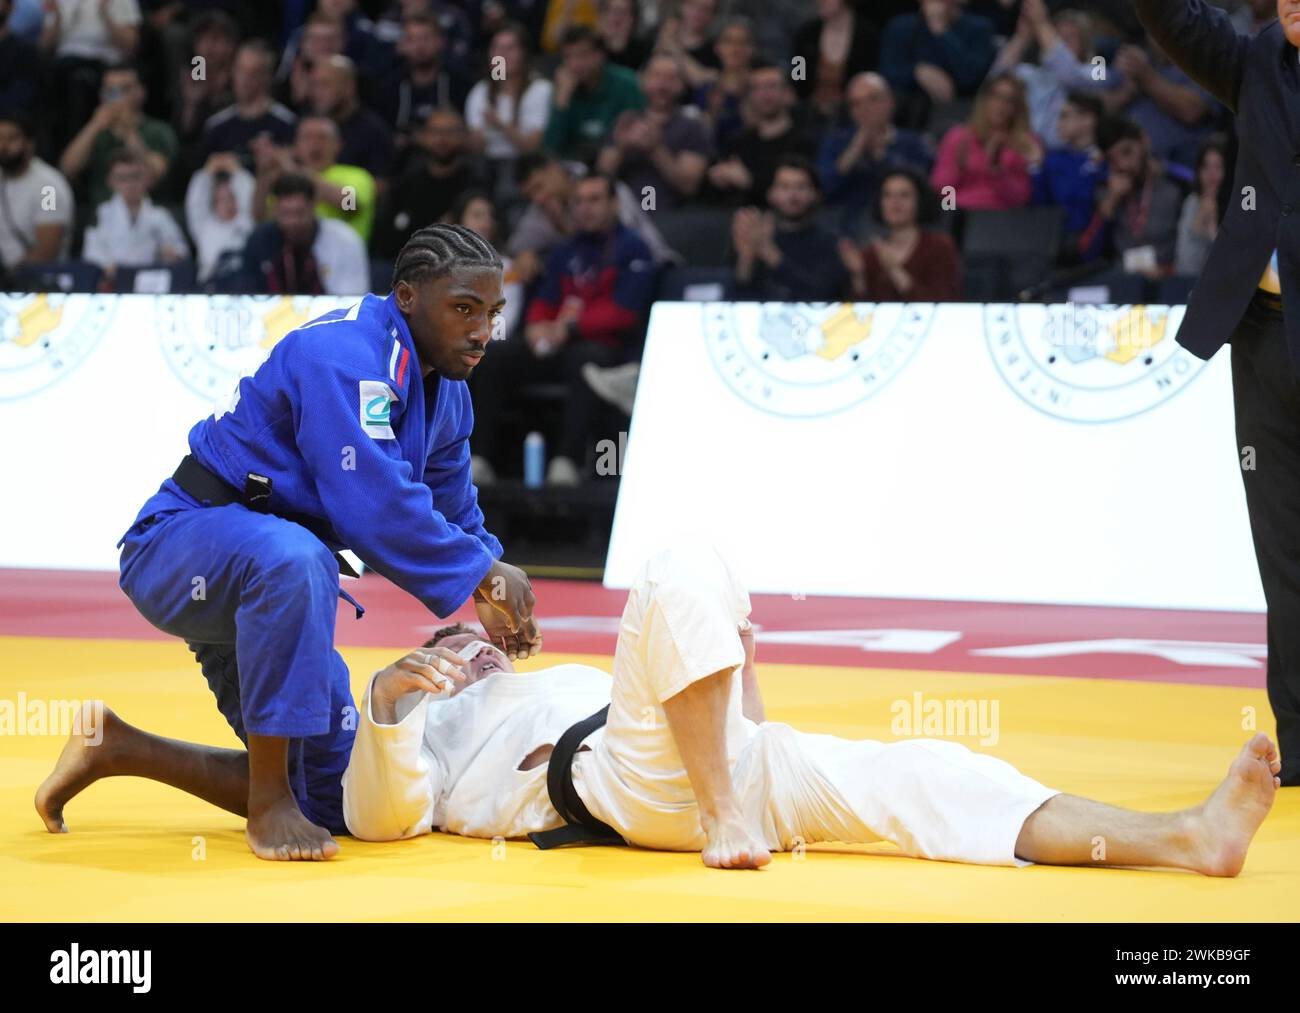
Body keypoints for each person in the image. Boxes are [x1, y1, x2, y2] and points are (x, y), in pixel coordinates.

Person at [39, 541, 1282, 876]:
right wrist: (394, 701)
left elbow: (660, 671)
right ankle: (733, 801)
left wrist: (739, 677)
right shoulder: (410, 721)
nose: (460, 638)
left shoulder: (521, 666)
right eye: (444, 634)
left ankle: (1182, 835)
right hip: (620, 787)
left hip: (716, 760)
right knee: (683, 561)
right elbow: (376, 821)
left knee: (941, 787)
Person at [41, 224, 543, 863]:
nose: (482, 331)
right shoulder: (346, 356)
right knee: (295, 556)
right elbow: (376, 506)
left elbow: (452, 507)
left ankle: (116, 746)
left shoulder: (448, 394)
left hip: (271, 583)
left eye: (493, 313)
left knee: (344, 798)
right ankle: (269, 804)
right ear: (408, 296)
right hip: (183, 542)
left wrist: (490, 579)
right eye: (464, 309)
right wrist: (481, 571)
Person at [1132, 0, 1300, 785]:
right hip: (1265, 335)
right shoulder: (1261, 59)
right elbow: (1180, 26)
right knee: (1285, 557)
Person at [472, 173, 655, 485]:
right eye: (579, 201)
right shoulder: (565, 251)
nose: (586, 208)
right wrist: (534, 327)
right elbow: (545, 300)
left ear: (614, 203)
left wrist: (570, 326)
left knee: (586, 361)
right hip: (558, 343)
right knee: (495, 357)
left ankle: (566, 462)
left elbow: (625, 313)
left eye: (595, 200)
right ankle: (480, 459)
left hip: (608, 348)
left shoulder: (634, 248)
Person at [596, 53, 710, 211]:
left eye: (670, 78)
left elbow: (689, 185)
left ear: (682, 85)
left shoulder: (692, 126)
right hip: (622, 213)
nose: (662, 85)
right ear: (642, 80)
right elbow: (602, 176)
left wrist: (656, 150)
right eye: (656, 76)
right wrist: (620, 146)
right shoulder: (626, 121)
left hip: (670, 215)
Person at [59, 62, 178, 209]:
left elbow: (156, 176)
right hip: (100, 216)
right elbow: (67, 170)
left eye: (124, 90)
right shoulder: (97, 131)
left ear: (141, 92)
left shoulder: (159, 130)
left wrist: (128, 133)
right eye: (110, 91)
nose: (116, 97)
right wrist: (94, 126)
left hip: (147, 215)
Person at [816, 72, 933, 220]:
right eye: (856, 103)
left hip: (899, 223)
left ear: (890, 101)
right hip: (845, 223)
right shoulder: (836, 142)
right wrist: (853, 151)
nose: (865, 108)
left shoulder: (914, 143)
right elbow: (822, 190)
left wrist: (882, 156)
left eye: (873, 99)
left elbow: (923, 191)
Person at [732, 155, 847, 303]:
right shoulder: (755, 234)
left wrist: (771, 255)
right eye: (784, 186)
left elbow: (823, 297)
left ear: (815, 194)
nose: (793, 195)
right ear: (771, 194)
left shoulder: (829, 243)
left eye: (801, 187)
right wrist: (746, 258)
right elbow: (735, 301)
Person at [839, 167, 961, 302]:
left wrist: (894, 270)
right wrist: (858, 276)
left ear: (920, 202)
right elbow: (860, 314)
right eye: (887, 195)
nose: (895, 202)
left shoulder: (940, 247)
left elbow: (943, 305)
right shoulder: (870, 254)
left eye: (904, 195)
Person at [239, 172, 369, 296]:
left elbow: (353, 301)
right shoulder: (260, 240)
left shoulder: (344, 240)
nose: (293, 222)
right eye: (286, 214)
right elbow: (249, 295)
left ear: (313, 206)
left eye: (299, 213)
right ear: (275, 209)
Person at [929, 71, 1042, 212]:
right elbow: (942, 187)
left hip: (1004, 219)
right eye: (996, 97)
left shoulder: (1026, 143)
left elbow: (1021, 199)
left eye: (1009, 100)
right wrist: (951, 212)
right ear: (984, 100)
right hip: (961, 213)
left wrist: (997, 171)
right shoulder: (958, 137)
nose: (1001, 105)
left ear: (1018, 107)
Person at [543, 24, 645, 163]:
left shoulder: (627, 84)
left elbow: (640, 138)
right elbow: (549, 149)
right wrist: (561, 101)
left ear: (600, 55)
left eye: (582, 55)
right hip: (573, 167)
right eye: (568, 57)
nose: (575, 64)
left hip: (621, 164)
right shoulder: (563, 87)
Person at [80, 150, 188, 281]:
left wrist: (172, 254)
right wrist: (107, 264)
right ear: (111, 181)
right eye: (122, 178)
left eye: (135, 176)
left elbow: (181, 250)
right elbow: (91, 251)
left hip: (149, 282)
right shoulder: (102, 213)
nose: (130, 184)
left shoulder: (160, 215)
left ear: (147, 179)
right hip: (113, 281)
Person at [200, 40, 298, 167]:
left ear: (267, 77)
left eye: (254, 72)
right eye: (241, 70)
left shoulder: (287, 124)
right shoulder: (216, 127)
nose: (245, 79)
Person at [0, 113, 74, 273]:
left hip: (37, 279)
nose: (3, 146)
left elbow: (47, 251)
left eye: (12, 138)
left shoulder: (49, 187)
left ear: (29, 144)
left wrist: (9, 277)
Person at [184, 151, 255, 284]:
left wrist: (237, 171)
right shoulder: (204, 226)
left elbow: (249, 196)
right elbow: (196, 202)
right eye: (222, 200)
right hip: (210, 285)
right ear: (213, 203)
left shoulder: (246, 222)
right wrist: (206, 172)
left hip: (242, 284)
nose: (228, 204)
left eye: (231, 198)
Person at [1174, 135, 1226, 277]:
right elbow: (1184, 266)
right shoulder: (1192, 203)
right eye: (1205, 166)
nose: (1211, 174)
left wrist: (1212, 231)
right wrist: (1200, 220)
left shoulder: (1240, 204)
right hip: (1193, 286)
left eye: (1218, 166)